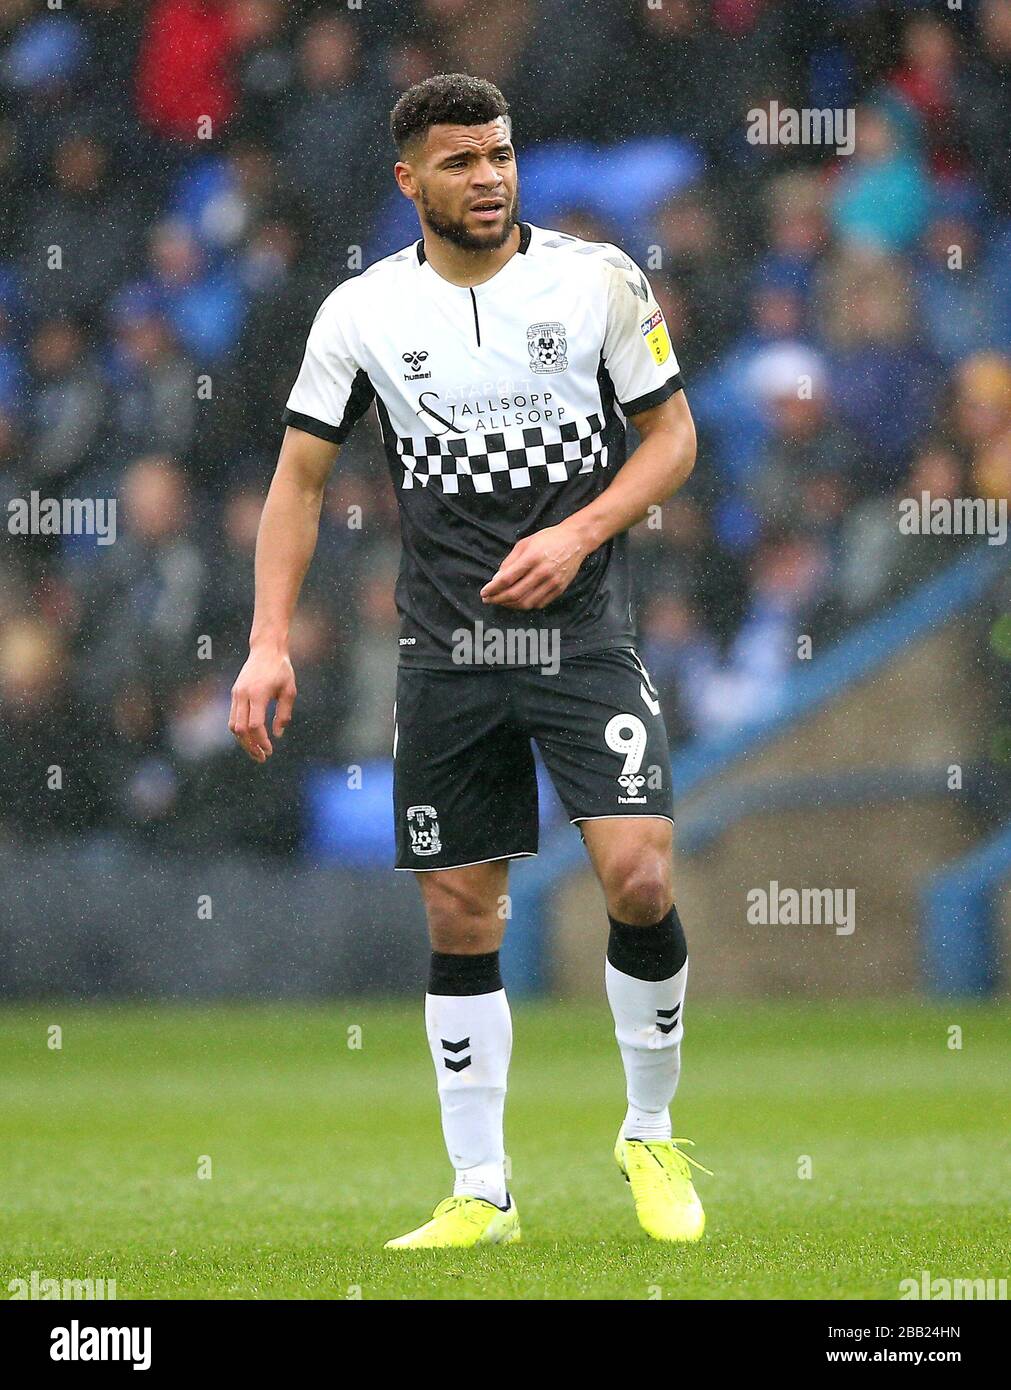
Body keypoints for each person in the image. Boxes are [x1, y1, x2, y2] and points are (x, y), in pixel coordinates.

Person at [229, 73, 704, 1249]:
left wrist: (579, 530)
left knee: (638, 873)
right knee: (459, 913)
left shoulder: (597, 279)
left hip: (582, 633)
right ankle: (480, 1189)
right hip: (447, 650)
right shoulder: (360, 315)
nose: (488, 177)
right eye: (461, 161)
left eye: (500, 155)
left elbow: (673, 438)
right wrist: (266, 641)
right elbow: (298, 481)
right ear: (410, 181)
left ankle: (648, 1130)